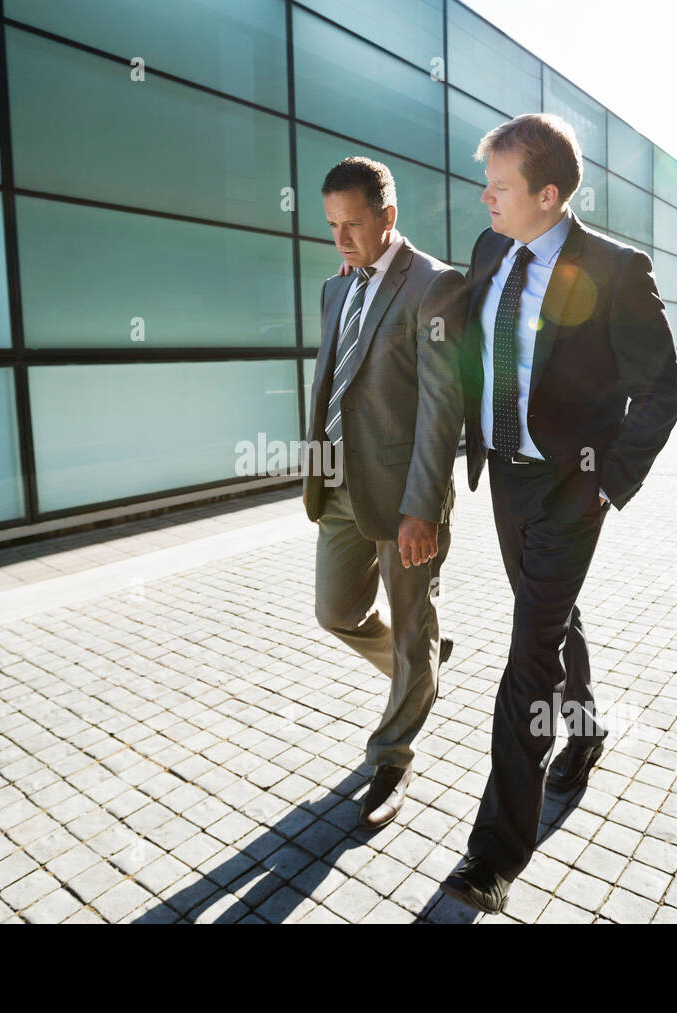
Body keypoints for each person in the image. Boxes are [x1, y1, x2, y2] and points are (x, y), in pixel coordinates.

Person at [439, 114, 677, 912]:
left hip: (571, 489)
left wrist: (607, 484)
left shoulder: (616, 269)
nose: (485, 198)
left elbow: (662, 389)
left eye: (500, 186)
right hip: (507, 479)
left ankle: (495, 853)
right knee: (550, 613)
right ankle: (586, 730)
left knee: (528, 653)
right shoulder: (488, 250)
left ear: (548, 194)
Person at [304, 157, 468, 830]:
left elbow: (442, 405)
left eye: (353, 225)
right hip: (340, 486)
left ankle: (393, 754)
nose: (341, 240)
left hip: (406, 499)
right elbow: (335, 383)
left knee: (410, 633)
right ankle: (422, 661)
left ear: (388, 218)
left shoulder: (435, 287)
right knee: (335, 610)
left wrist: (421, 507)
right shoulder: (338, 288)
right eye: (332, 226)